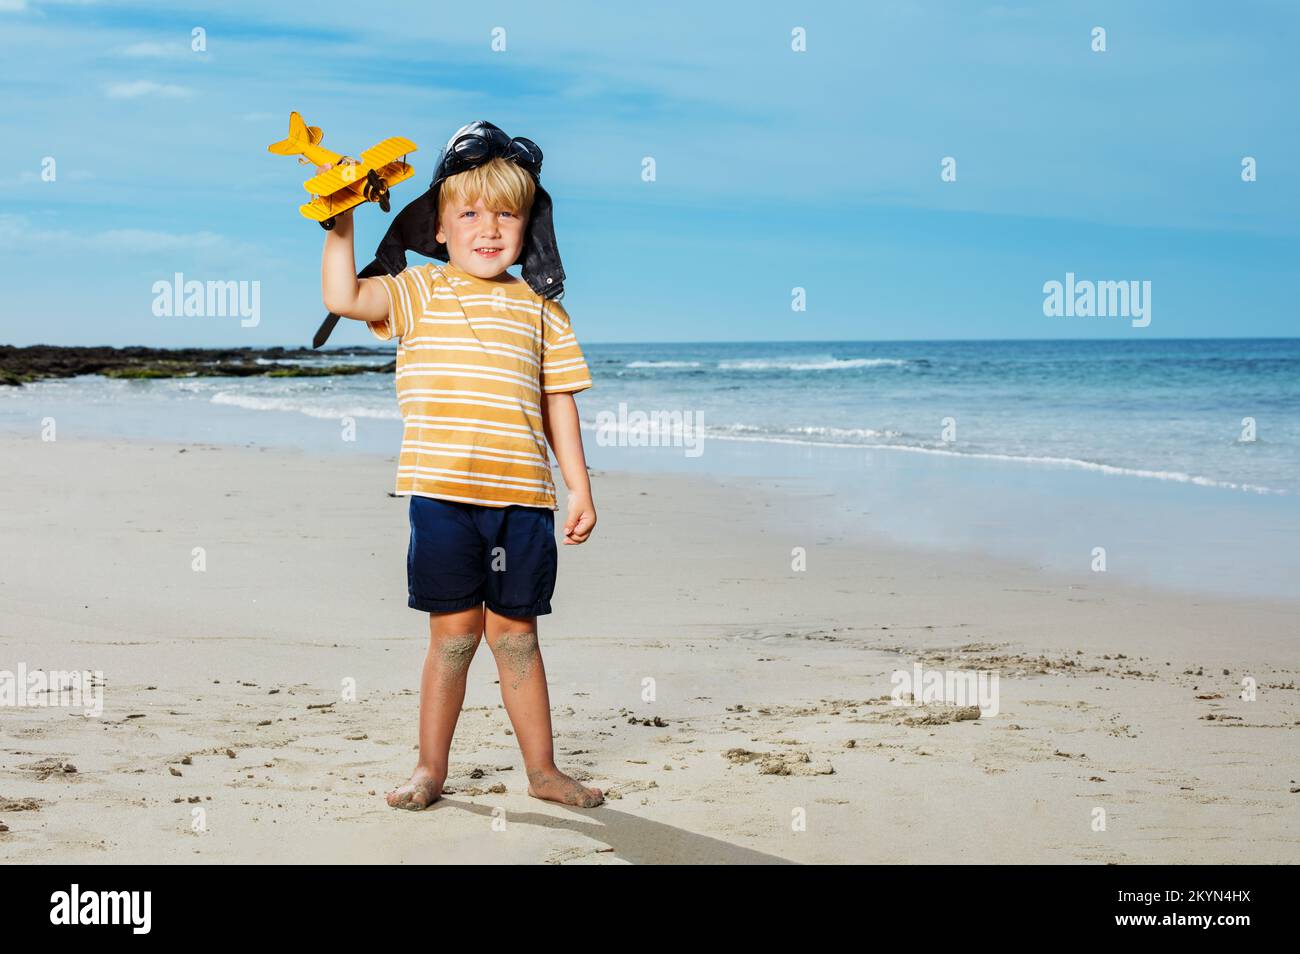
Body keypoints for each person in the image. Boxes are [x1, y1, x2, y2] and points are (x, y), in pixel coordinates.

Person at [319, 122, 603, 810]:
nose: (488, 227)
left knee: (516, 639)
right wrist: (340, 220)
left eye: (506, 212)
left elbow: (557, 401)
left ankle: (543, 771)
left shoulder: (542, 310)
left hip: (522, 501)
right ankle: (428, 769)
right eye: (469, 212)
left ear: (527, 225)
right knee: (452, 640)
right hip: (442, 497)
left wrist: (579, 487)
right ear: (437, 226)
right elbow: (343, 298)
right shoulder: (417, 291)